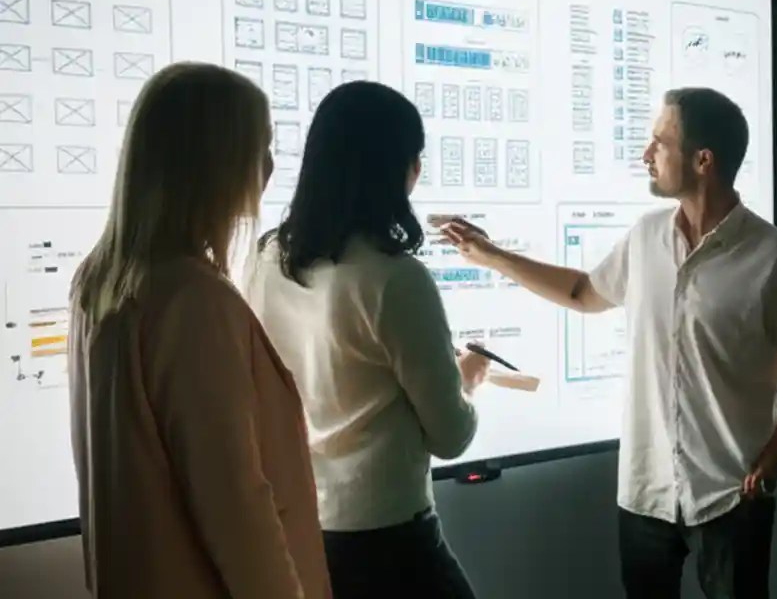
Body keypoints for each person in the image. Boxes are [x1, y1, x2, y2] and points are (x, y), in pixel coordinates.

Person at [435, 87, 777, 599]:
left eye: (658, 142)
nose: (646, 154)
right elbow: (583, 292)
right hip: (645, 492)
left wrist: (769, 467)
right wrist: (493, 256)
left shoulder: (775, 259)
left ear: (703, 160)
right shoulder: (646, 237)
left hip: (731, 497)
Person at [67, 62, 330, 598]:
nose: (271, 166)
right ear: (212, 161)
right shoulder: (192, 299)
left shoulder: (102, 278)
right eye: (258, 147)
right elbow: (236, 502)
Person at [242, 81, 489, 599]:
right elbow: (451, 437)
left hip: (303, 525)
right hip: (389, 537)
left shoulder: (267, 258)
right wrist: (465, 382)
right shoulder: (395, 279)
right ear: (397, 170)